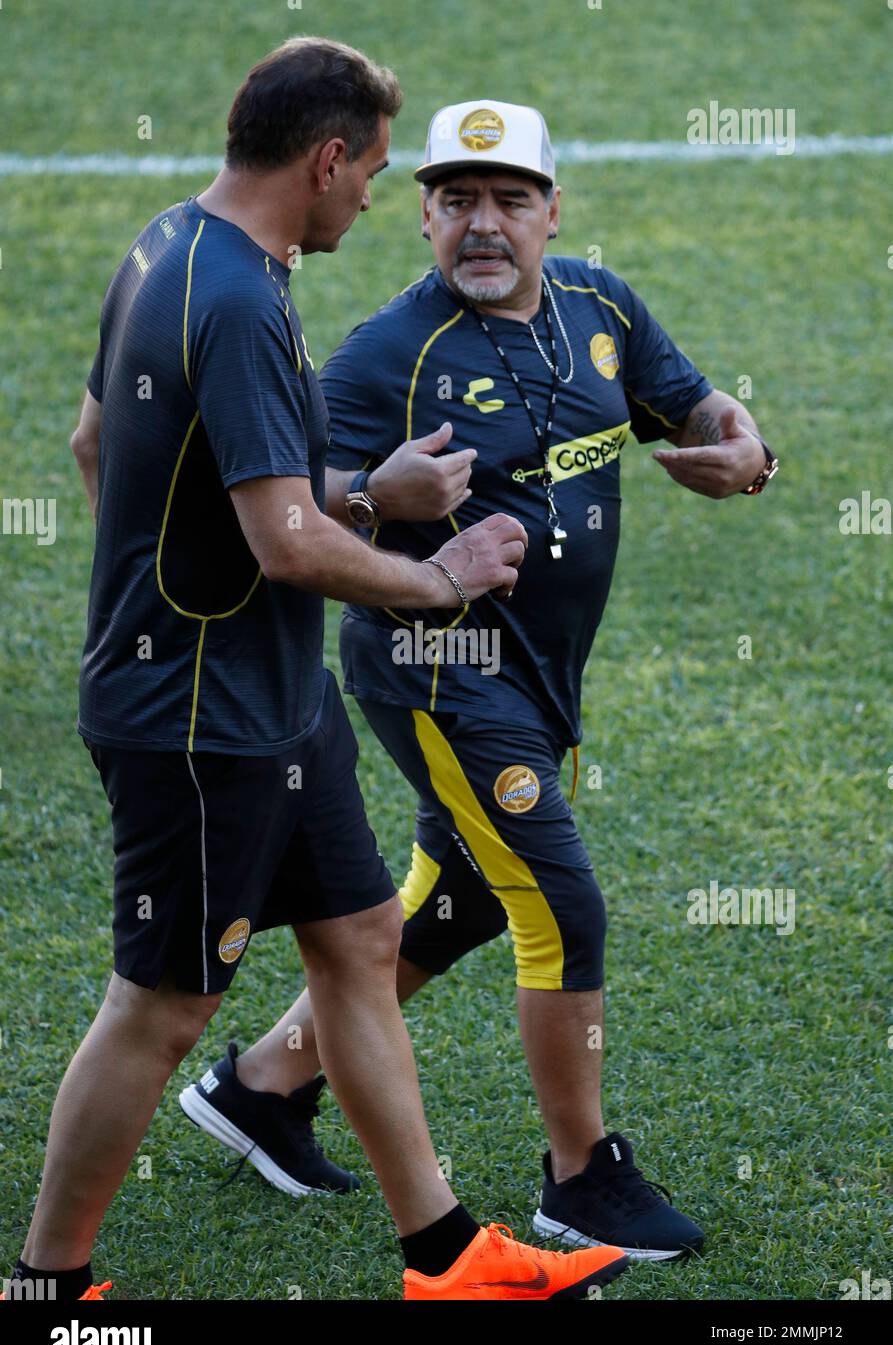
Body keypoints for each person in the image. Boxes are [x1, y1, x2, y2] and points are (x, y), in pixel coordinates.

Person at [3, 54, 630, 1304]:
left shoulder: (170, 243)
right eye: (377, 172)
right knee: (162, 1007)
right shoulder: (240, 301)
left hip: (279, 702)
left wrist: (343, 504)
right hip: (205, 722)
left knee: (358, 940)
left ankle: (443, 1256)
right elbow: (285, 543)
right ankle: (46, 1288)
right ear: (326, 158)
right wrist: (438, 572)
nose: (375, 198)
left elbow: (101, 444)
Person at [182, 98, 780, 1262]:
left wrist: (745, 452)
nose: (483, 224)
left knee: (459, 896)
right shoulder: (386, 355)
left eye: (510, 198)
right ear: (423, 218)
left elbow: (694, 402)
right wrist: (376, 494)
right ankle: (579, 1178)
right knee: (560, 903)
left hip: (542, 674)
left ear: (553, 212)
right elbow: (268, 496)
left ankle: (261, 1087)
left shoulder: (600, 308)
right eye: (456, 200)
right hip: (435, 668)